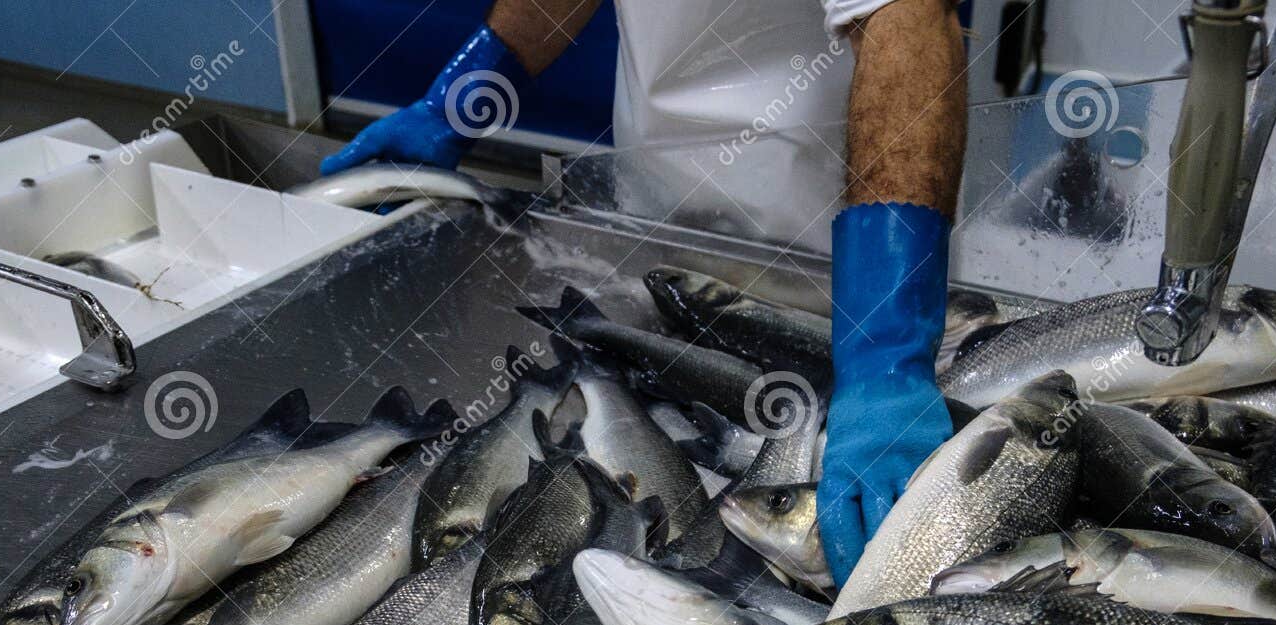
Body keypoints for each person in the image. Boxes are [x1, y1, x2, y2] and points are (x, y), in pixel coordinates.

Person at [322, 1, 966, 584]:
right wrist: (461, 95)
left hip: (838, 260)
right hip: (653, 222)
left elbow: (905, 20)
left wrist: (886, 358)